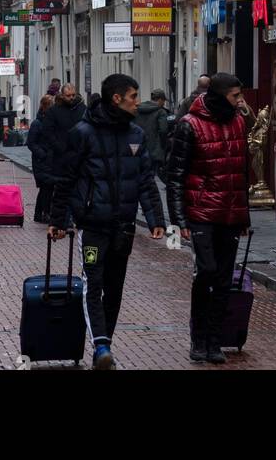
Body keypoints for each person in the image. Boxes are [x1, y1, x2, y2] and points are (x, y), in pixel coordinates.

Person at [49, 74, 165, 371]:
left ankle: (105, 346)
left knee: (115, 289)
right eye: (133, 97)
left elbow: (145, 181)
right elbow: (66, 178)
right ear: (117, 98)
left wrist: (156, 219)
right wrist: (58, 219)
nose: (138, 103)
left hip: (123, 226)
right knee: (94, 283)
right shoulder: (82, 133)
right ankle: (100, 345)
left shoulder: (136, 135)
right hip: (93, 225)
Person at [167, 72, 250, 365]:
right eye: (235, 96)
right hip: (201, 212)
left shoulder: (239, 123)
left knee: (224, 279)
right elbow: (174, 175)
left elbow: (242, 173)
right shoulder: (189, 125)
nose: (240, 101)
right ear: (219, 96)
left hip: (229, 212)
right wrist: (179, 221)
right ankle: (198, 338)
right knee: (206, 272)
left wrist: (244, 216)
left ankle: (214, 341)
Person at [39, 83, 86, 188]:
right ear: (62, 95)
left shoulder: (82, 109)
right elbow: (47, 131)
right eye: (68, 96)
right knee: (62, 190)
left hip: (79, 155)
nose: (71, 98)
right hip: (60, 158)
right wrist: (58, 146)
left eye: (73, 95)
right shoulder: (54, 110)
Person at [26, 93, 55, 222]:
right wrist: (42, 154)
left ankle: (39, 214)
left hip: (50, 160)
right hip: (41, 161)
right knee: (46, 187)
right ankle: (44, 213)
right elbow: (31, 143)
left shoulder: (53, 122)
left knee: (46, 188)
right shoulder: (37, 123)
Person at [135, 89, 169, 180]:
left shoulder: (137, 109)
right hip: (154, 149)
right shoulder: (161, 112)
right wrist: (163, 145)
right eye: (164, 101)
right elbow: (163, 130)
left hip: (138, 147)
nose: (164, 103)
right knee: (151, 175)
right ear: (160, 100)